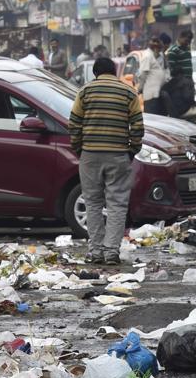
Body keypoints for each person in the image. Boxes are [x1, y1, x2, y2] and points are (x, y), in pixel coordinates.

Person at [68, 57, 144, 265]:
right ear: (114, 72)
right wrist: (131, 150)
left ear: (95, 73)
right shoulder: (128, 92)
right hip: (118, 154)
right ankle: (112, 252)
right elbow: (137, 126)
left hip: (90, 154)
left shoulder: (85, 91)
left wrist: (80, 148)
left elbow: (74, 123)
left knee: (92, 203)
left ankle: (95, 251)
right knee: (117, 204)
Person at [134, 37, 169, 116]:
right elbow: (143, 75)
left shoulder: (159, 56)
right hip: (150, 95)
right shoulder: (147, 56)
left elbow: (165, 70)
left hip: (158, 93)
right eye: (159, 49)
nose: (159, 51)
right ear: (155, 48)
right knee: (152, 117)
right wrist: (140, 88)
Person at [165, 30, 195, 118]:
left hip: (189, 82)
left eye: (189, 41)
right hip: (180, 84)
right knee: (183, 107)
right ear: (180, 37)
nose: (188, 43)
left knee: (190, 104)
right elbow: (172, 70)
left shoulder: (187, 48)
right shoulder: (173, 51)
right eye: (186, 40)